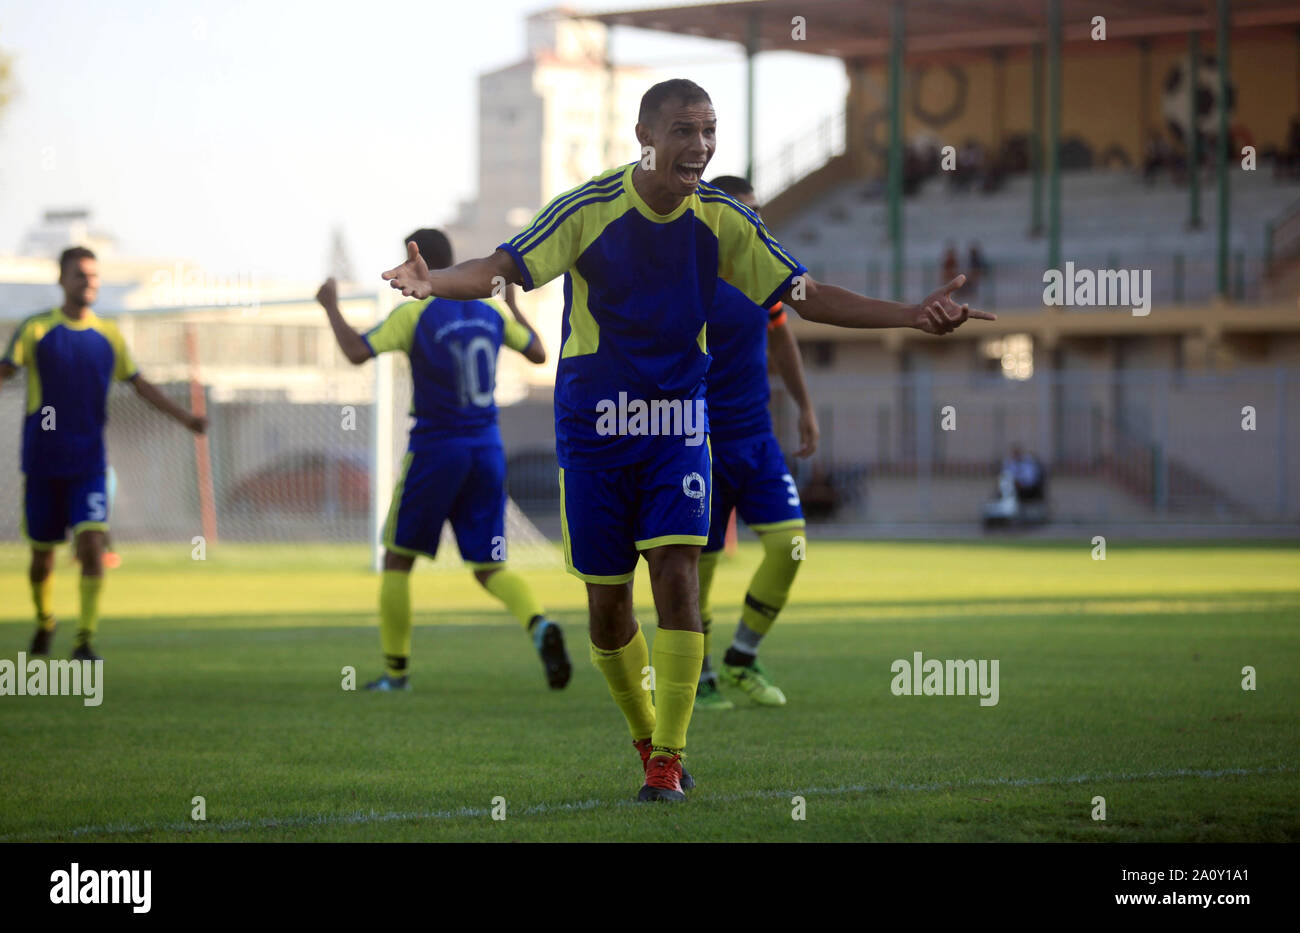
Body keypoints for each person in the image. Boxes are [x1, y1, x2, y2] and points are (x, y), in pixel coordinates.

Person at [382, 79, 994, 802]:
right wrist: (434, 283)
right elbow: (502, 268)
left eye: (708, 130)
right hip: (597, 429)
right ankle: (646, 739)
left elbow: (805, 294)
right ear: (645, 133)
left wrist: (910, 315)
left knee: (676, 574)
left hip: (679, 426)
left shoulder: (723, 220)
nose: (699, 145)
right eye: (682, 130)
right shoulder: (590, 207)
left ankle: (668, 761)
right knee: (608, 608)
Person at [317, 228, 568, 692]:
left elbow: (356, 352)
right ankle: (538, 624)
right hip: (487, 451)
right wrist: (512, 304)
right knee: (491, 567)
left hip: (436, 450)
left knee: (396, 561)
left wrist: (330, 306)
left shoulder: (417, 315)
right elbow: (537, 353)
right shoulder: (490, 316)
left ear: (418, 264)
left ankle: (396, 674)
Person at [0, 246, 207, 660]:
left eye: (93, 275)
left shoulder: (108, 334)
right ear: (62, 280)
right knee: (42, 557)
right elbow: (6, 371)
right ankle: (45, 623)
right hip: (42, 462)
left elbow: (140, 383)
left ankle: (84, 639)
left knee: (93, 542)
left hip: (89, 462)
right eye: (79, 274)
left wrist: (185, 417)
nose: (88, 282)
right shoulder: (37, 330)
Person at [691, 175, 817, 712]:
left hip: (757, 439)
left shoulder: (760, 277)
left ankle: (742, 657)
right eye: (746, 213)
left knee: (789, 545)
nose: (757, 221)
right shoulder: (686, 280)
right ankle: (699, 675)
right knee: (699, 567)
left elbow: (781, 335)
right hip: (698, 445)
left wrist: (805, 406)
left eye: (759, 211)